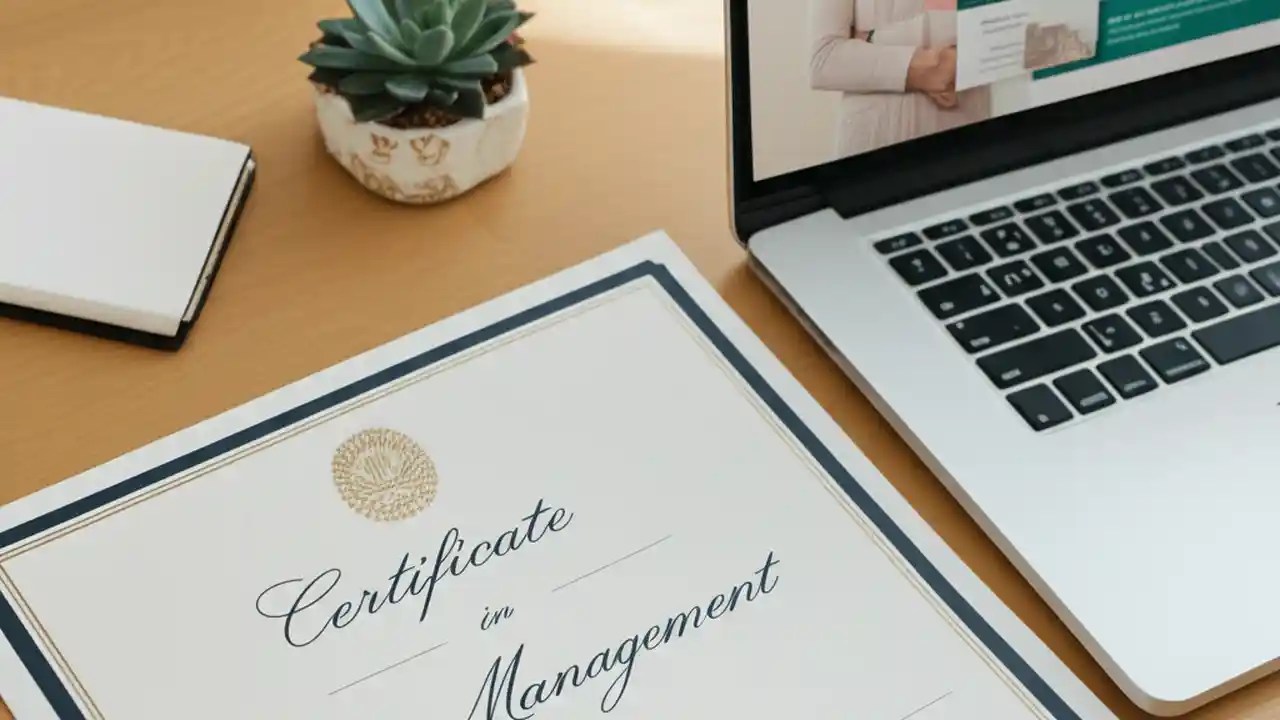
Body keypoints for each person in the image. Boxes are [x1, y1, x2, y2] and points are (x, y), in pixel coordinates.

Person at [810, 0, 992, 158]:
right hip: (874, 146)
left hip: (964, 137)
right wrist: (929, 68)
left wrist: (874, 38)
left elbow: (1002, 30)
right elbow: (824, 58)